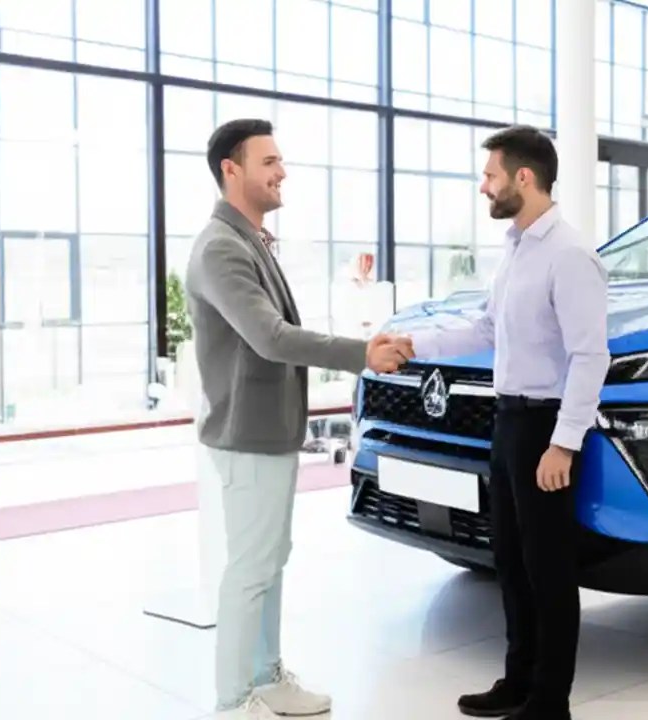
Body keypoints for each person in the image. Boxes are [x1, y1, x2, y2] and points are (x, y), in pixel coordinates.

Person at [186, 118, 413, 719]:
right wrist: (360, 355)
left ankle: (265, 675)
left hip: (269, 430)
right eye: (269, 162)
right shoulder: (220, 247)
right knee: (250, 569)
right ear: (231, 170)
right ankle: (234, 701)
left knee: (269, 561)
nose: (282, 171)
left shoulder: (250, 239)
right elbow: (270, 337)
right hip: (246, 433)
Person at [400, 125, 609, 720]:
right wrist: (413, 342)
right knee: (510, 562)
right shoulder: (516, 248)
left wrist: (564, 445)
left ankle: (550, 702)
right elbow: (487, 329)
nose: (483, 186)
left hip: (547, 428)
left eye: (490, 175)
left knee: (548, 570)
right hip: (510, 420)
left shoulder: (569, 254)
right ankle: (518, 681)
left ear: (524, 178)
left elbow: (591, 357)